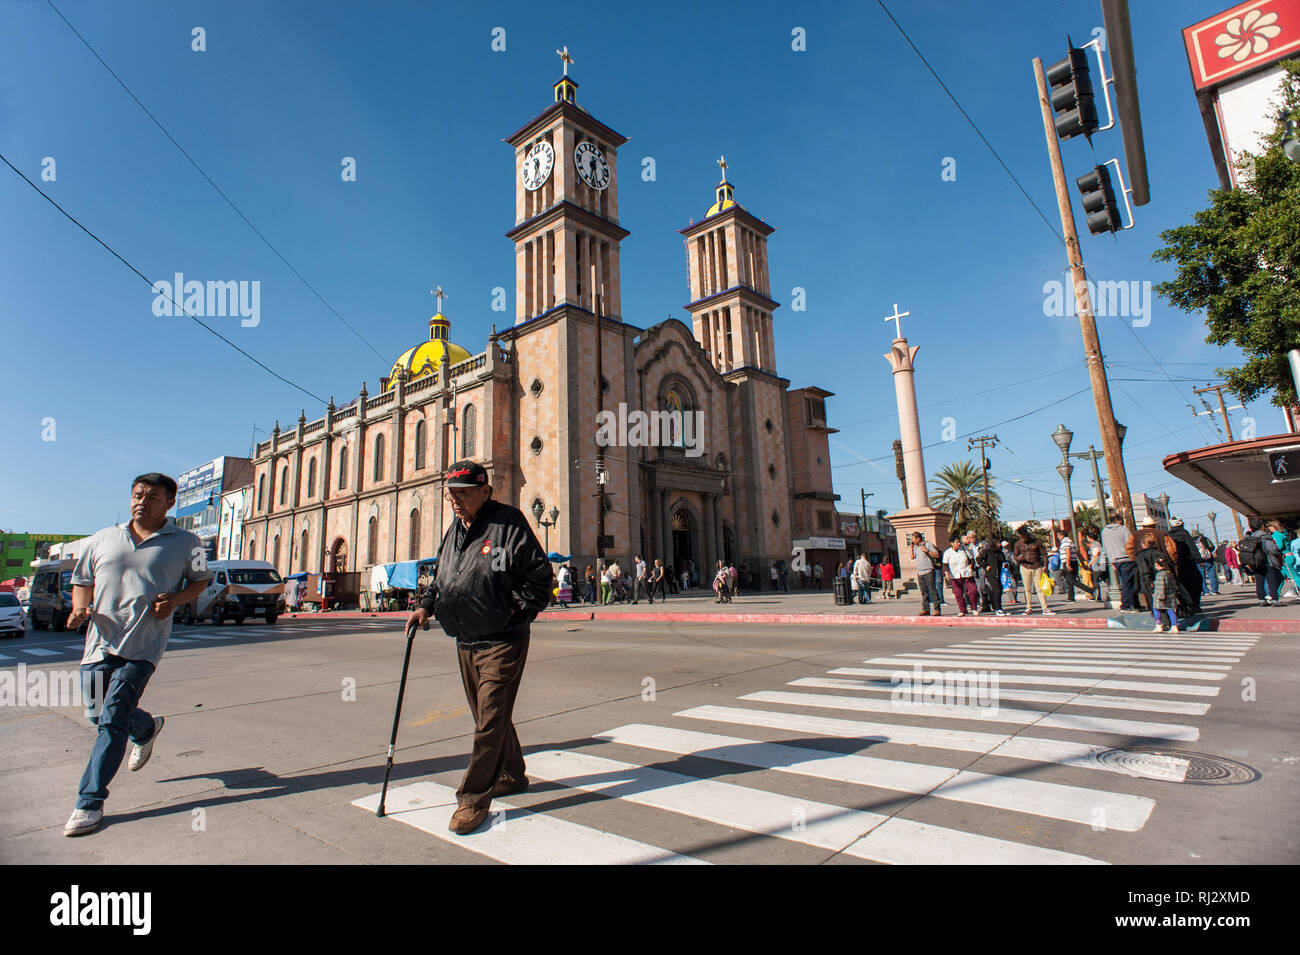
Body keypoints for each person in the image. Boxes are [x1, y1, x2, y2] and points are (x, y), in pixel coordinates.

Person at [62, 473, 214, 837]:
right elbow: (82, 581)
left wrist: (174, 601)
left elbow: (200, 580)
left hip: (144, 645)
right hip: (99, 643)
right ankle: (146, 728)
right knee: (98, 713)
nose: (142, 502)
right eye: (137, 495)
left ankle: (89, 802)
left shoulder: (187, 541)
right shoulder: (103, 538)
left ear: (170, 503)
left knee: (112, 719)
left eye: (152, 497)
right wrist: (80, 609)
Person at [406, 460, 552, 835]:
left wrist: (509, 614)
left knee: (489, 719)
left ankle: (472, 800)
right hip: (466, 639)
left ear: (485, 491)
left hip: (502, 639)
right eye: (452, 494)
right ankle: (512, 774)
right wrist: (425, 605)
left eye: (464, 492)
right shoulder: (455, 530)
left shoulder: (508, 523)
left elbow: (539, 579)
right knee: (489, 716)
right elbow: (440, 577)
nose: (456, 500)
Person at [1240, 519, 1284, 605]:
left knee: (1259, 581)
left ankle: (1261, 599)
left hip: (1255, 562)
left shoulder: (1249, 537)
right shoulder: (1265, 536)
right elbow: (1272, 549)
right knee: (1271, 581)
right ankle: (1274, 599)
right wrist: (1278, 554)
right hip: (1267, 561)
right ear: (1261, 526)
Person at [1165, 519, 1204, 615]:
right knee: (1196, 582)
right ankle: (1194, 604)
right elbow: (1192, 547)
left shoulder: (1168, 535)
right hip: (1188, 562)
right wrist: (1198, 558)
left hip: (1175, 564)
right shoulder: (1184, 534)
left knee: (1181, 585)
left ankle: (1184, 605)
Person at [1102, 509, 1137, 612]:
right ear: (1118, 520)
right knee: (1128, 583)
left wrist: (1111, 561)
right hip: (1126, 558)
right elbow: (1130, 543)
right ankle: (1127, 605)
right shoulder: (1123, 529)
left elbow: (1105, 547)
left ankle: (1130, 603)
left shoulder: (1104, 531)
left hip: (1114, 560)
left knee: (1124, 582)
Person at [1013, 526, 1052, 615]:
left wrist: (1045, 565)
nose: (1022, 539)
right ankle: (1028, 607)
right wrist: (1018, 558)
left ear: (1027, 535)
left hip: (1037, 566)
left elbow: (1044, 554)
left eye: (1023, 537)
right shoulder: (1018, 544)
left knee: (1039, 588)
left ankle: (1044, 607)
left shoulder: (1037, 542)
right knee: (1027, 588)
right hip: (1024, 567)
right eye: (1020, 537)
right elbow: (1014, 556)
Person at [943, 535, 978, 616]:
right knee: (958, 593)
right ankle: (962, 610)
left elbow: (972, 559)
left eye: (959, 542)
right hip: (955, 575)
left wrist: (970, 566)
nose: (958, 544)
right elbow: (945, 564)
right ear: (952, 543)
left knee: (973, 590)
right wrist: (946, 573)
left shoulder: (965, 550)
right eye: (956, 542)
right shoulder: (948, 552)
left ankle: (974, 607)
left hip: (966, 573)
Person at [910, 532, 942, 617]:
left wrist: (926, 550)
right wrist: (911, 547)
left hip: (928, 571)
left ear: (918, 538)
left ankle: (937, 609)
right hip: (920, 572)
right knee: (924, 592)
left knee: (932, 590)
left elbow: (937, 555)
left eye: (913, 538)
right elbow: (912, 557)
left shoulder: (928, 544)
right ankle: (925, 609)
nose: (912, 540)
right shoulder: (916, 547)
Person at [977, 536, 1006, 615]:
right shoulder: (986, 551)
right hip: (991, 574)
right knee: (996, 590)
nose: (1000, 544)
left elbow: (1004, 560)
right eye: (998, 543)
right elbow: (978, 559)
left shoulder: (1000, 552)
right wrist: (985, 566)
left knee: (999, 590)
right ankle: (997, 609)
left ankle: (999, 607)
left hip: (999, 574)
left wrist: (1005, 564)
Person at [1151, 555, 1180, 633]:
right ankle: (1174, 626)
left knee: (1156, 610)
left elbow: (1161, 587)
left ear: (1157, 565)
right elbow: (1174, 585)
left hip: (1161, 597)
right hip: (1170, 595)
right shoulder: (1169, 573)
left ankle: (1158, 625)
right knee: (1171, 611)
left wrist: (1160, 597)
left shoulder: (1160, 575)